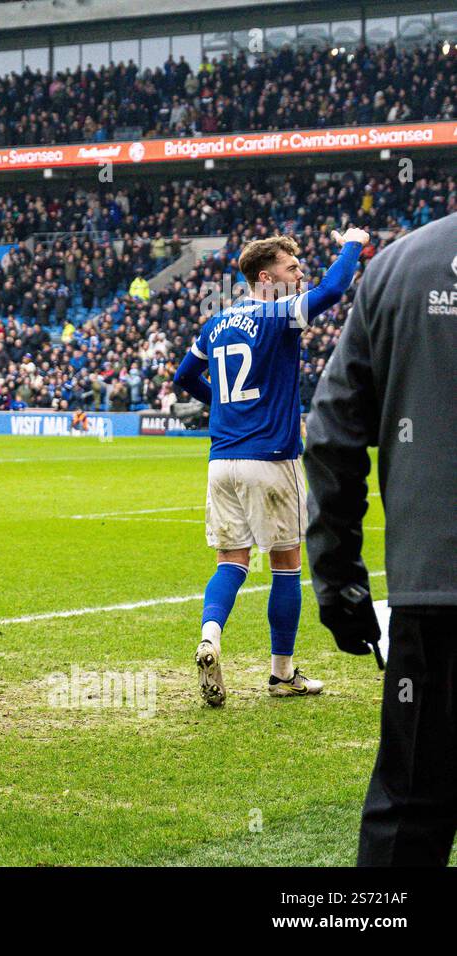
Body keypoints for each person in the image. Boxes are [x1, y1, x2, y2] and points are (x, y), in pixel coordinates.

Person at [305, 212, 457, 866]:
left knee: (407, 815)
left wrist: (339, 578)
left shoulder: (398, 266)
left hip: (431, 601)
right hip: (430, 591)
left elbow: (333, 434)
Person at [174, 228, 367, 706]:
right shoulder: (278, 313)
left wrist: (221, 406)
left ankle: (211, 635)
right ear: (266, 277)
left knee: (231, 561)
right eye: (292, 268)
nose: (300, 274)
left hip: (222, 462)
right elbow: (335, 290)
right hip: (271, 459)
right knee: (285, 565)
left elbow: (183, 377)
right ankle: (282, 675)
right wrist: (354, 244)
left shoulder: (214, 323)